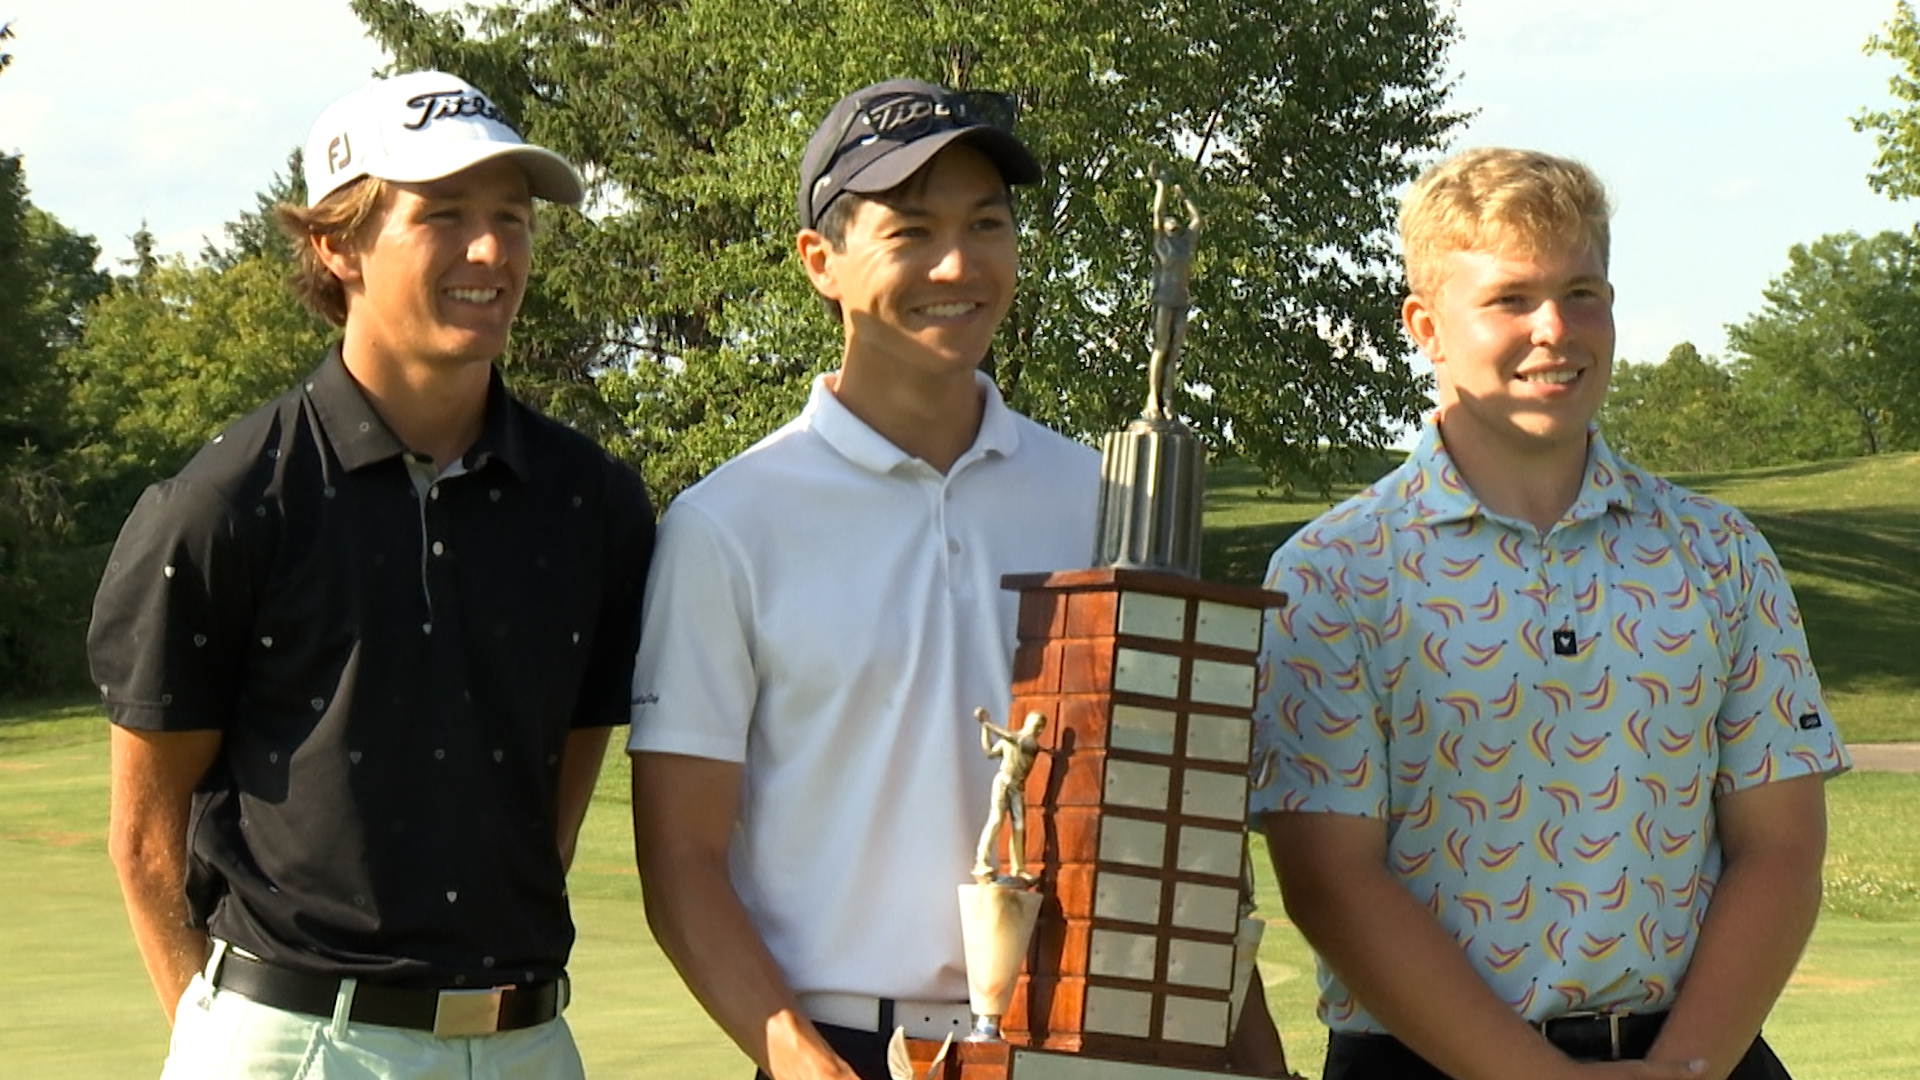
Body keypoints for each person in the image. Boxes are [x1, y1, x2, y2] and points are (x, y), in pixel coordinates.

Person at [628, 77, 1291, 1080]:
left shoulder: (1094, 499)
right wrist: (810, 1070)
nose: (959, 263)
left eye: (988, 223)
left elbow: (1178, 828)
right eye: (911, 231)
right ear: (822, 262)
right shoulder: (729, 523)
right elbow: (681, 859)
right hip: (845, 1039)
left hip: (1087, 1041)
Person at [90, 69, 654, 1078]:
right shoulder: (228, 503)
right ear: (335, 243)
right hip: (292, 1042)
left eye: (512, 217)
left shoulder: (592, 505)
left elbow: (547, 817)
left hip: (528, 1043)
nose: (492, 250)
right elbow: (143, 848)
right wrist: (223, 1040)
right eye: (444, 215)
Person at [1249, 146, 1851, 1080]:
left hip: (1701, 1061)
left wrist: (1683, 1068)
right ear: (1426, 327)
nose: (1556, 329)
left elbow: (1780, 850)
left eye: (1583, 292)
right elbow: (1330, 881)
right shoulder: (1334, 574)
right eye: (1509, 299)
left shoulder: (1719, 553)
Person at [970, 707, 1046, 882]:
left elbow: (1014, 738)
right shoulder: (1008, 739)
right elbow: (990, 752)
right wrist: (985, 730)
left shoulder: (1030, 744)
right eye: (1036, 724)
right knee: (996, 819)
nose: (1037, 729)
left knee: (1019, 826)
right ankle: (981, 860)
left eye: (1040, 726)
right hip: (1003, 781)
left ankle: (1018, 868)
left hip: (1017, 787)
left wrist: (987, 724)